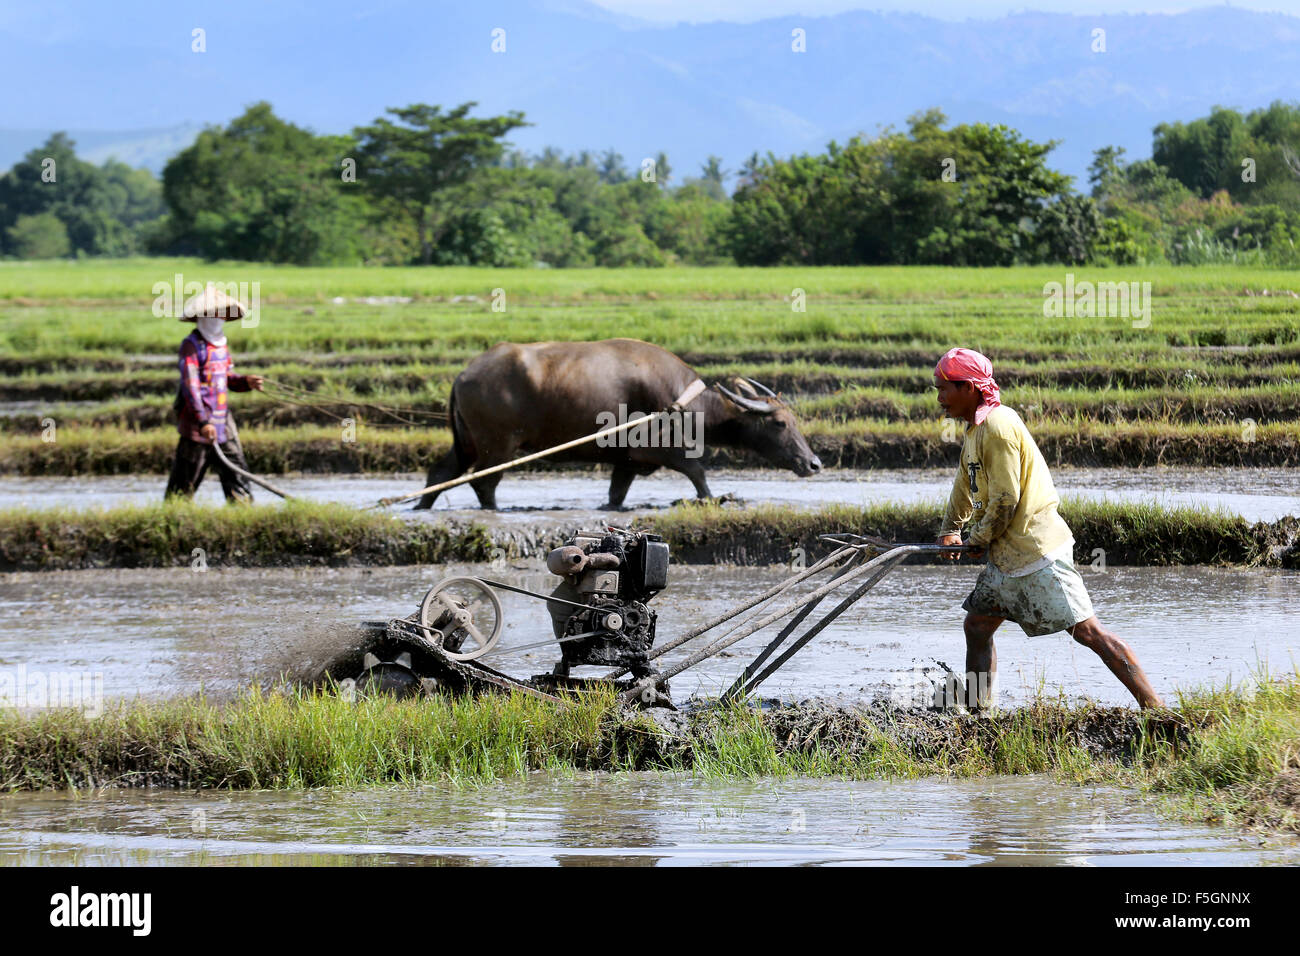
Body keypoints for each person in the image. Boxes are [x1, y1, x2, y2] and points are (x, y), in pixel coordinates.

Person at [932, 347, 1164, 711]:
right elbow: (966, 483)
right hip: (1007, 558)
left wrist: (976, 539)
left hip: (1037, 553)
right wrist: (951, 529)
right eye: (938, 389)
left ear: (971, 388)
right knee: (977, 627)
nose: (940, 398)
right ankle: (979, 715)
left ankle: (1157, 710)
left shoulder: (998, 427)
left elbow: (1007, 499)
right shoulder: (975, 430)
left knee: (1089, 632)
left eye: (946, 388)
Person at [164, 286, 264, 502]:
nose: (218, 318)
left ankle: (242, 518)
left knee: (237, 477)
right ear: (202, 316)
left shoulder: (221, 345)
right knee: (183, 487)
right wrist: (202, 422)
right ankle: (173, 521)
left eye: (221, 313)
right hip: (197, 426)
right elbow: (190, 387)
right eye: (213, 313)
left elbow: (225, 377)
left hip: (222, 423)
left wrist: (246, 382)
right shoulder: (191, 346)